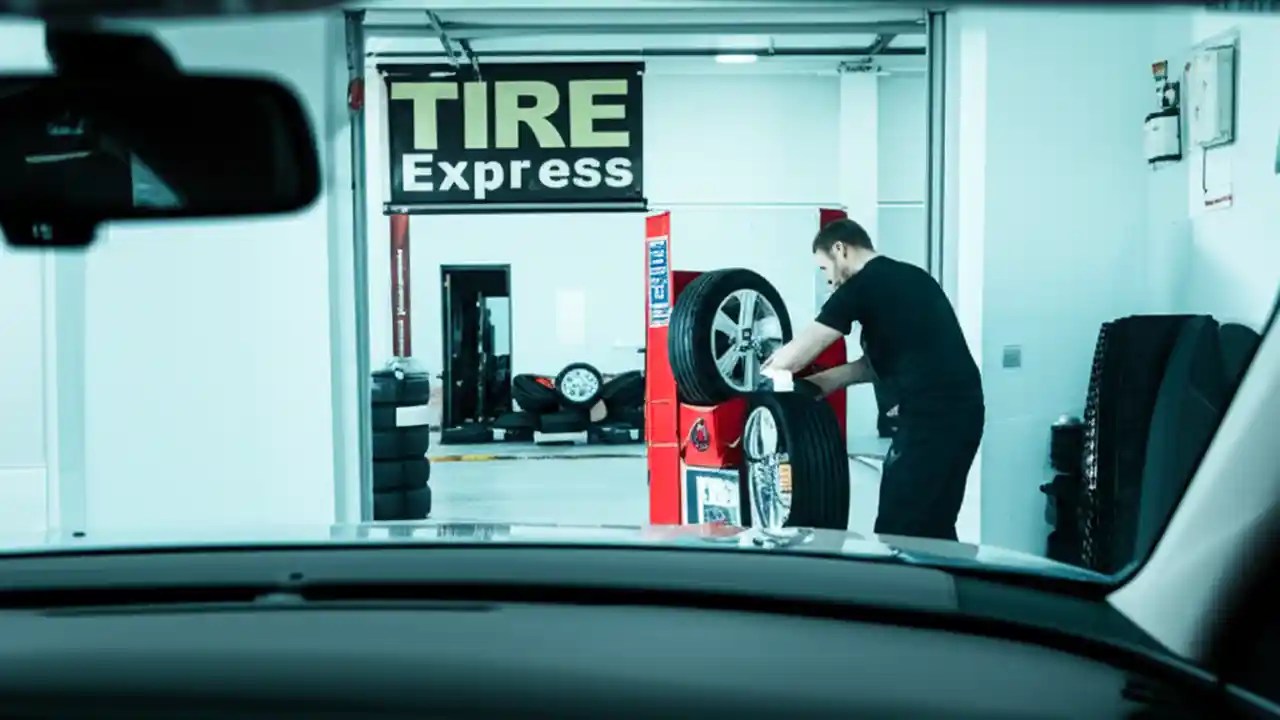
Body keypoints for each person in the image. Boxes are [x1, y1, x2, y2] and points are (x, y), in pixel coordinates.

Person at [762, 218, 984, 541]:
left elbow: (803, 350)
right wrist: (820, 385)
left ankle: (907, 591)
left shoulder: (864, 284)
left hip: (931, 420)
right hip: (964, 416)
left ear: (840, 250)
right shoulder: (910, 278)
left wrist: (762, 379)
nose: (829, 283)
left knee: (898, 530)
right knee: (934, 525)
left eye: (825, 270)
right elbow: (872, 366)